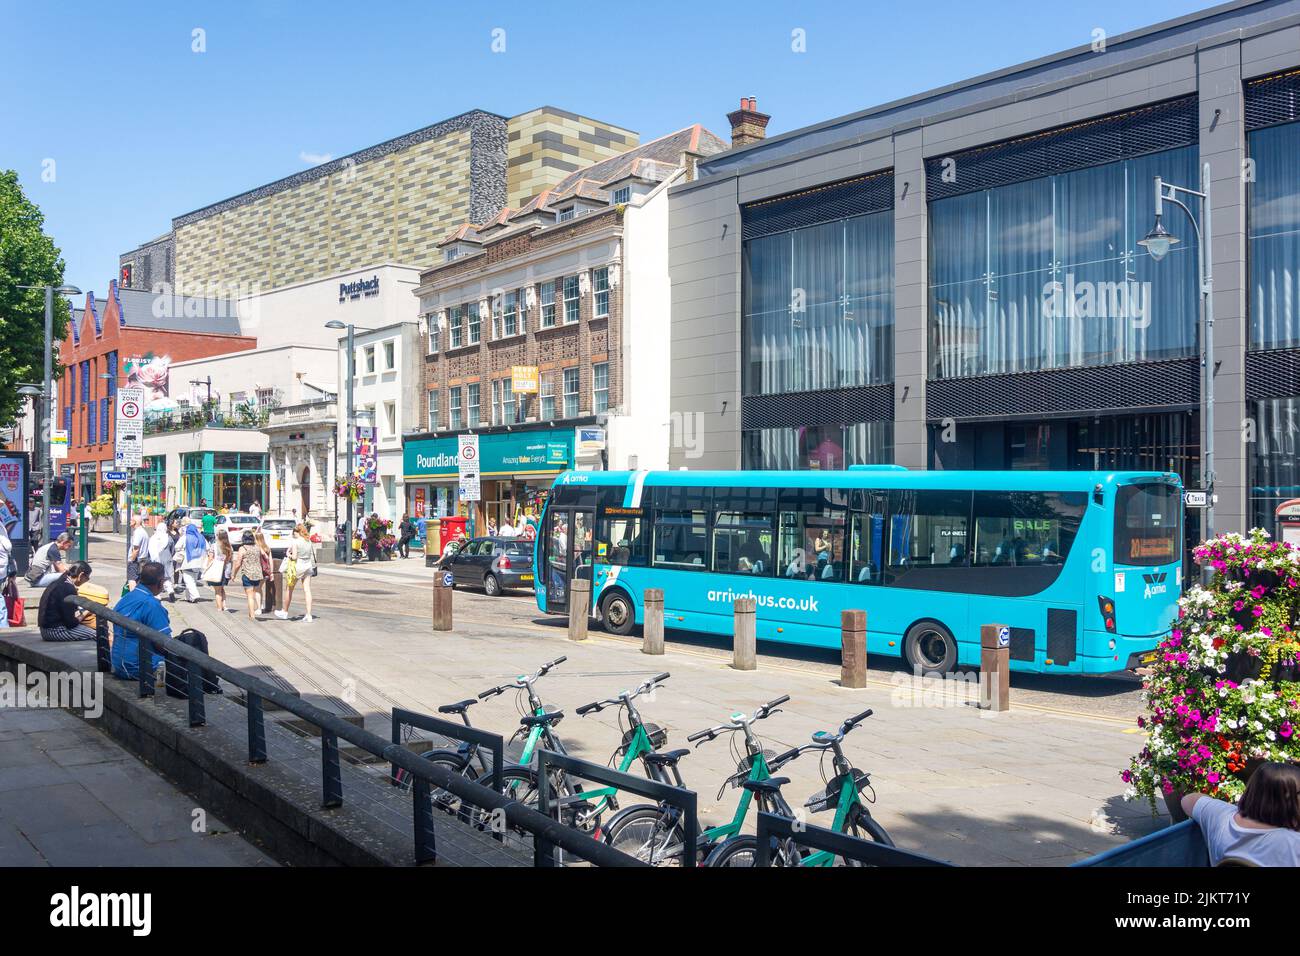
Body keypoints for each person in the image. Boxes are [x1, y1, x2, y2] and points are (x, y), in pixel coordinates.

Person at [1182, 762, 1300, 866]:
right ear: (1287, 799)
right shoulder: (1293, 843)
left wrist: (1226, 808)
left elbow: (1187, 800)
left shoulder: (1221, 816)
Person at [110, 561, 170, 680]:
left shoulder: (126, 598)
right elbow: (164, 644)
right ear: (160, 582)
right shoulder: (152, 605)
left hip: (118, 664)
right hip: (139, 669)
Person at [37, 561, 96, 642]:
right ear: (81, 575)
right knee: (97, 634)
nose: (87, 581)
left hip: (44, 629)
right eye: (87, 578)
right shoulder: (68, 588)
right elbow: (71, 623)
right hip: (55, 631)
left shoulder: (59, 582)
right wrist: (85, 613)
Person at [277, 523, 317, 622]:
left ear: (297, 532)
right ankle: (309, 615)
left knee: (289, 589)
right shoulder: (308, 541)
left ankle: (284, 612)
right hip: (307, 566)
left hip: (297, 567)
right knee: (307, 590)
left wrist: (288, 554)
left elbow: (294, 557)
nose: (293, 535)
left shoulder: (295, 542)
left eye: (294, 533)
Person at [229, 530, 265, 620]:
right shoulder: (257, 547)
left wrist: (233, 574)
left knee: (250, 596)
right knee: (256, 592)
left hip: (247, 573)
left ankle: (252, 615)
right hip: (257, 573)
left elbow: (238, 563)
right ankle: (258, 609)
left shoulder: (243, 548)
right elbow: (262, 558)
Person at [203, 527, 234, 612]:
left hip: (216, 570)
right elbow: (231, 560)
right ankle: (224, 606)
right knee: (222, 589)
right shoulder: (229, 546)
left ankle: (219, 608)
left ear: (218, 536)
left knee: (217, 591)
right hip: (226, 571)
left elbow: (210, 558)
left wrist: (206, 567)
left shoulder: (214, 546)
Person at [178, 517, 208, 603]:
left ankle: (195, 595)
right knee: (193, 580)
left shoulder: (185, 537)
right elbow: (208, 547)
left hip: (188, 561)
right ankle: (188, 597)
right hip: (199, 562)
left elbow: (177, 547)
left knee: (188, 580)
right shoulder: (201, 537)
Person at [148, 518, 177, 601]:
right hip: (167, 558)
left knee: (157, 577)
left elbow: (149, 549)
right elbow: (172, 549)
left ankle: (157, 594)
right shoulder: (168, 538)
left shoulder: (153, 538)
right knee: (166, 576)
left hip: (156, 559)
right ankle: (170, 590)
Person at [126, 516, 150, 590]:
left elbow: (136, 549)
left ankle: (133, 596)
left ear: (134, 522)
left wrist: (131, 560)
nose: (129, 521)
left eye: (131, 520)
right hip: (143, 559)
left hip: (136, 560)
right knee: (139, 581)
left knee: (132, 580)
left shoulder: (138, 532)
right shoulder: (143, 531)